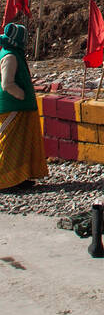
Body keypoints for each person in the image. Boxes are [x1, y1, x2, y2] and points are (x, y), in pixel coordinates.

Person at [0, 23, 48, 191]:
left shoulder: (15, 54)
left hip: (23, 107)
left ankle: (19, 176)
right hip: (13, 106)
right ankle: (5, 180)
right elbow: (7, 83)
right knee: (9, 143)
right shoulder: (10, 56)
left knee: (22, 143)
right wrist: (21, 94)